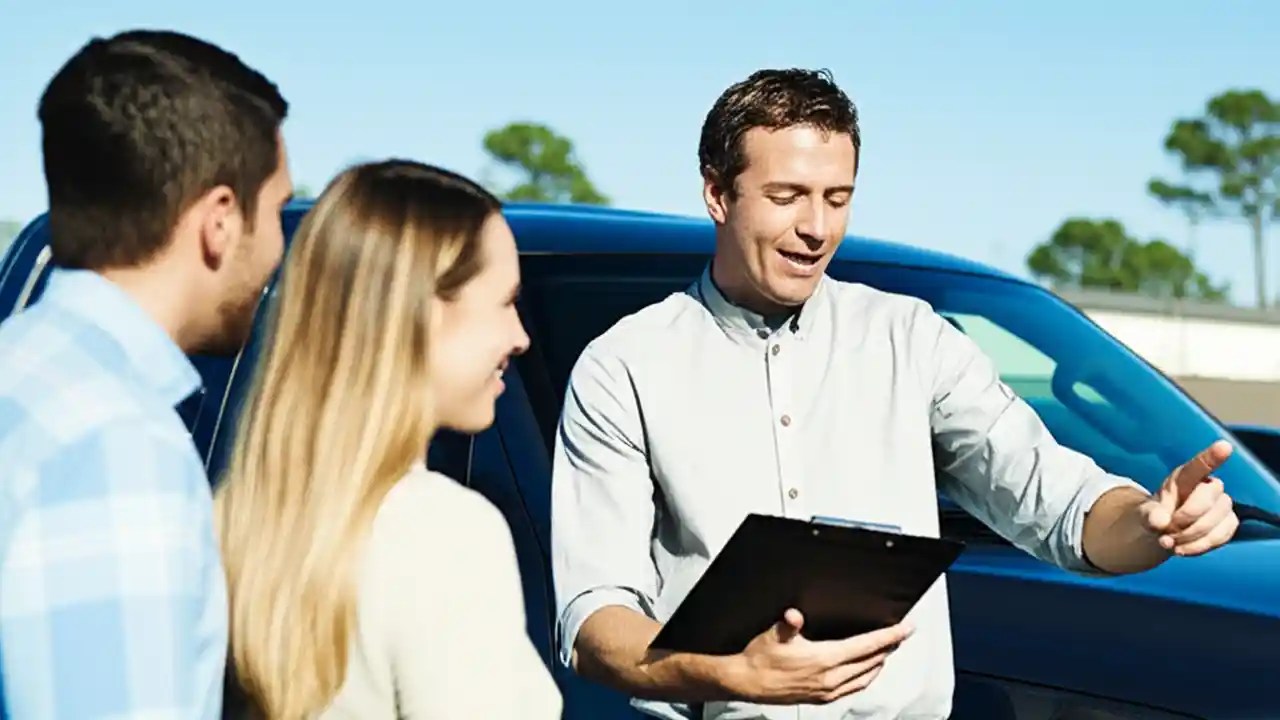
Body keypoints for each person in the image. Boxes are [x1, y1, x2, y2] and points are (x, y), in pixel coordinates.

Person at [549, 68, 1241, 720]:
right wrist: (728, 674)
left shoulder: (912, 339)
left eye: (837, 199)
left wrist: (1152, 524)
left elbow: (1057, 501)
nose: (817, 228)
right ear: (717, 194)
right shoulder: (626, 367)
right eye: (787, 197)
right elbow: (593, 619)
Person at [0, 31, 290, 719]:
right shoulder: (116, 443)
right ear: (221, 220)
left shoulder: (23, 374)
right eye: (279, 209)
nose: (280, 247)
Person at [214, 159, 563, 719]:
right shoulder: (443, 531)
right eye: (504, 302)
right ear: (424, 315)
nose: (519, 337)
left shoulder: (238, 521)